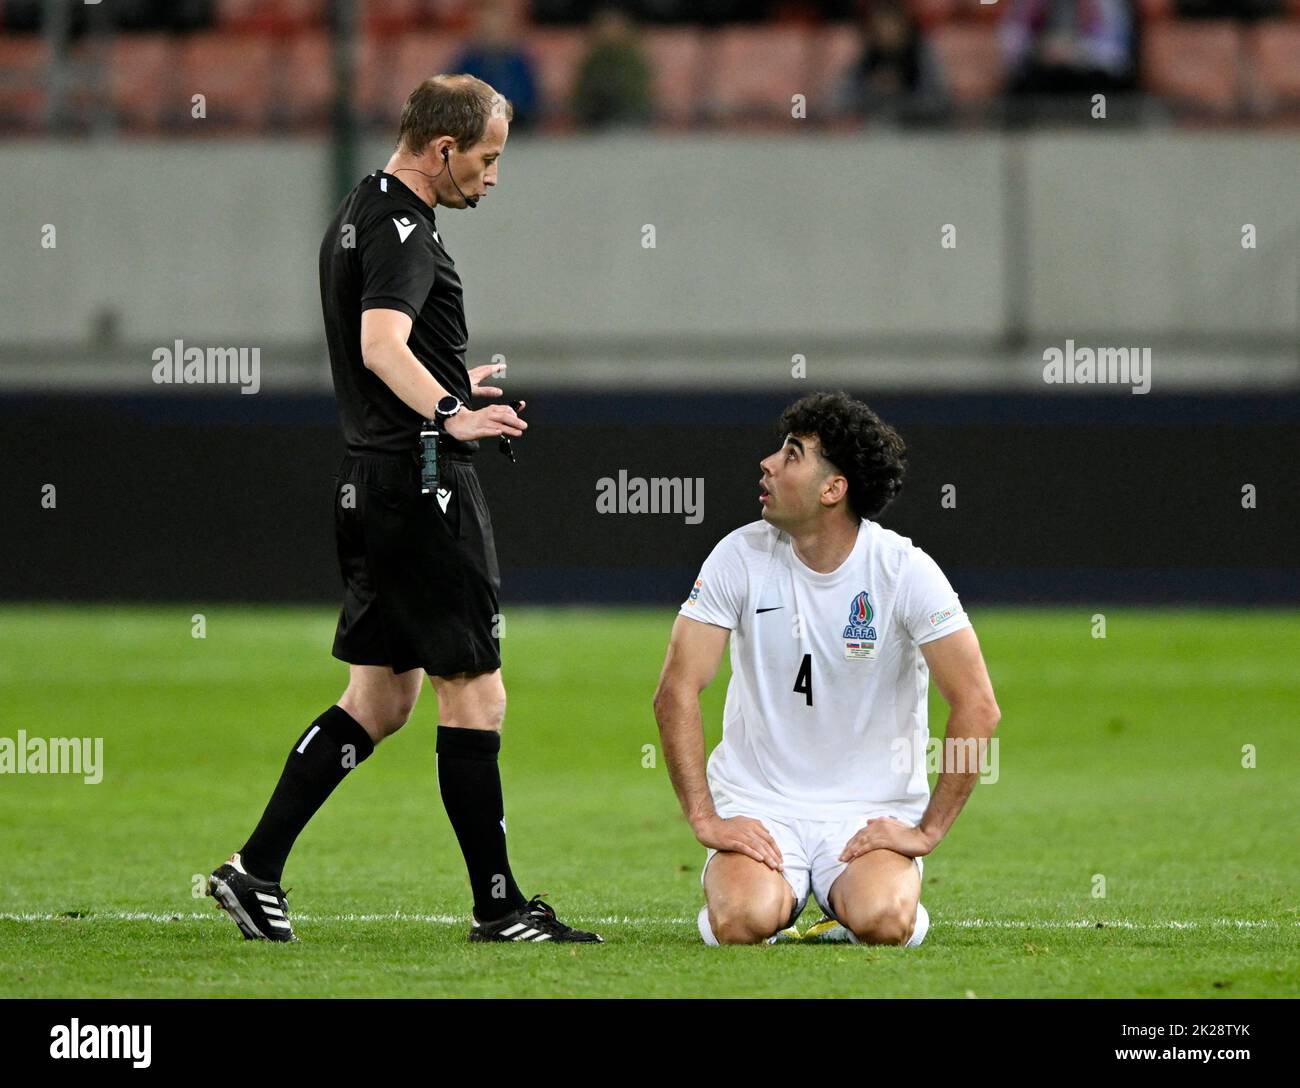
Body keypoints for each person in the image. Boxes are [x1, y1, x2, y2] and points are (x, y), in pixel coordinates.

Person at [207, 74, 601, 945]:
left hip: (370, 479)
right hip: (422, 487)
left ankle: (253, 869)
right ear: (444, 149)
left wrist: (454, 380)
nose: (495, 177)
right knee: (478, 695)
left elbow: (389, 351)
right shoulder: (405, 231)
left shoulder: (359, 209)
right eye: (489, 158)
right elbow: (379, 345)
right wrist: (454, 413)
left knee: (380, 700)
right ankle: (499, 907)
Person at [653, 392, 1000, 945]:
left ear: (832, 490)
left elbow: (978, 705)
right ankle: (773, 905)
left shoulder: (904, 570)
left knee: (885, 921)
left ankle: (849, 910)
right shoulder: (737, 556)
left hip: (869, 811)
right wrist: (705, 818)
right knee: (740, 922)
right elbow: (676, 690)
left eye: (792, 454)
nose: (767, 463)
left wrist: (929, 831)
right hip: (761, 806)